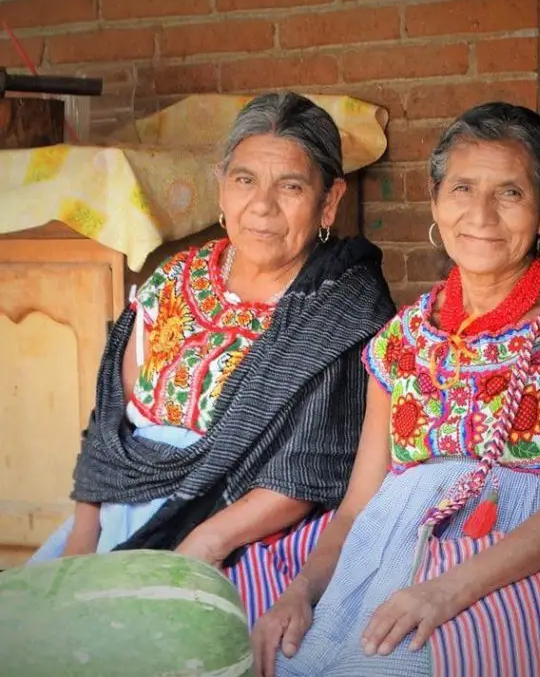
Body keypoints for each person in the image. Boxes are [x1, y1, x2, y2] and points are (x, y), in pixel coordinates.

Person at [253, 102, 540, 676]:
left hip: (534, 575)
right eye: (462, 188)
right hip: (393, 567)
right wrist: (300, 594)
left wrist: (442, 593)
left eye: (510, 193)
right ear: (436, 201)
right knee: (293, 662)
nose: (482, 215)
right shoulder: (401, 341)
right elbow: (355, 511)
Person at [28, 91, 396, 628]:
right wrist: (84, 535)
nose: (263, 205)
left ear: (330, 200)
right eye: (245, 180)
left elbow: (305, 471)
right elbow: (110, 426)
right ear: (221, 186)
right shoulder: (175, 279)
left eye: (290, 186)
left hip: (244, 530)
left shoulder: (342, 309)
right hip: (114, 516)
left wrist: (201, 545)